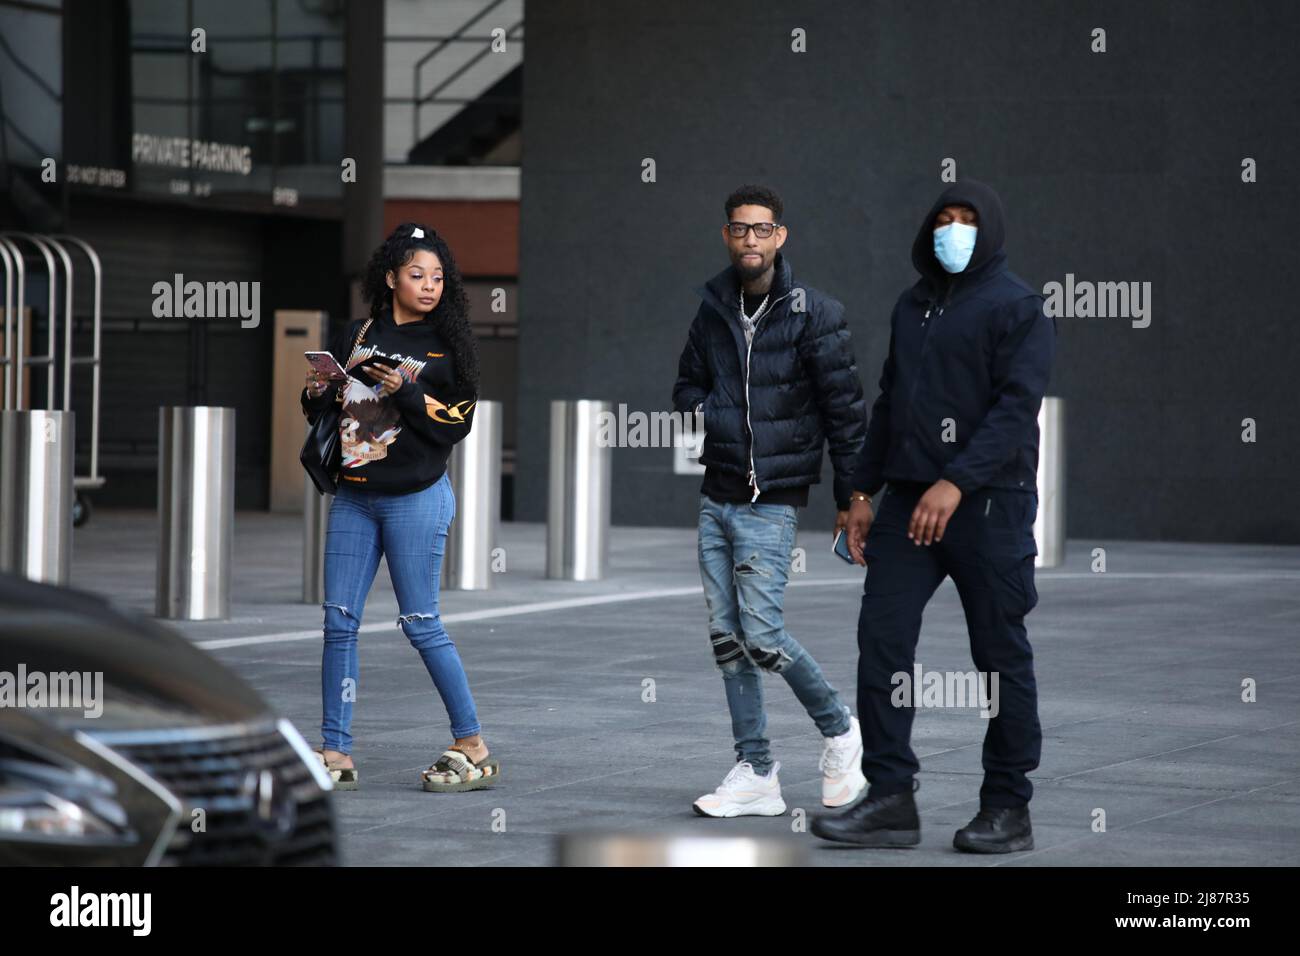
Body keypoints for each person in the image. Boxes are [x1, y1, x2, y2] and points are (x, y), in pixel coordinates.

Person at [811, 179, 1056, 851]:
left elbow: (1016, 408)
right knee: (882, 640)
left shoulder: (1018, 307)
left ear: (991, 230)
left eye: (967, 220)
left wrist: (956, 482)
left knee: (999, 657)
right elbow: (889, 404)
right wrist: (860, 492)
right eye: (943, 219)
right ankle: (891, 799)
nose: (953, 230)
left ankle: (1008, 806)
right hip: (906, 504)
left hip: (989, 507)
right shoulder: (912, 305)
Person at [672, 184, 868, 817]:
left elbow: (846, 412)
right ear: (727, 236)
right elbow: (685, 387)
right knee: (727, 639)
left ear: (780, 236)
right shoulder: (712, 310)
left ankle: (841, 730)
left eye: (762, 229)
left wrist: (851, 496)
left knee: (763, 634)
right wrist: (715, 410)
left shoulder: (816, 312)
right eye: (739, 229)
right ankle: (756, 770)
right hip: (718, 494)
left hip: (772, 500)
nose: (750, 239)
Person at [301, 222, 499, 793]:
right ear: (390, 278)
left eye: (438, 277)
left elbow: (457, 423)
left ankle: (472, 742)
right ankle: (335, 751)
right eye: (417, 275)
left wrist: (405, 391)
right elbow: (319, 406)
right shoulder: (356, 331)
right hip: (355, 496)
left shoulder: (448, 342)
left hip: (416, 498)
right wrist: (317, 391)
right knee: (338, 622)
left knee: (420, 622)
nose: (429, 285)